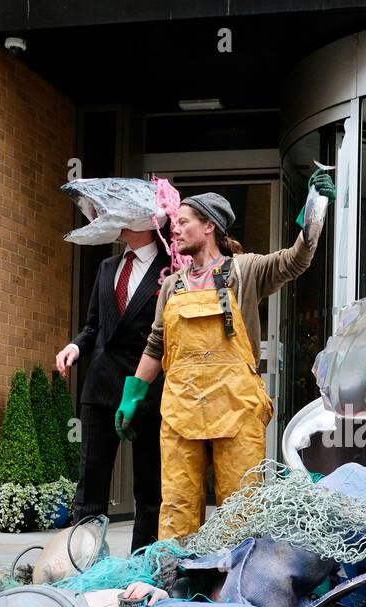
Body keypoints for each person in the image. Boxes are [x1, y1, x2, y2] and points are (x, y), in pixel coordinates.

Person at [118, 174, 335, 539]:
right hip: (181, 407)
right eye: (174, 224)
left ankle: (235, 578)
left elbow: (296, 259)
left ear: (209, 227)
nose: (175, 230)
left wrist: (315, 207)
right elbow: (157, 344)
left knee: (241, 503)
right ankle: (176, 578)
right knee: (177, 503)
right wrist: (133, 393)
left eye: (183, 222)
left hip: (235, 406)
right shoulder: (172, 285)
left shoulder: (245, 270)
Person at [56, 206, 175, 553]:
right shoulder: (107, 267)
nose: (117, 222)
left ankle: (142, 566)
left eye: (125, 217)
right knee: (90, 483)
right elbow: (93, 326)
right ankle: (81, 560)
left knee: (149, 488)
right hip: (100, 387)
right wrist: (75, 347)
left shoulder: (169, 272)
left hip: (147, 392)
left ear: (147, 224)